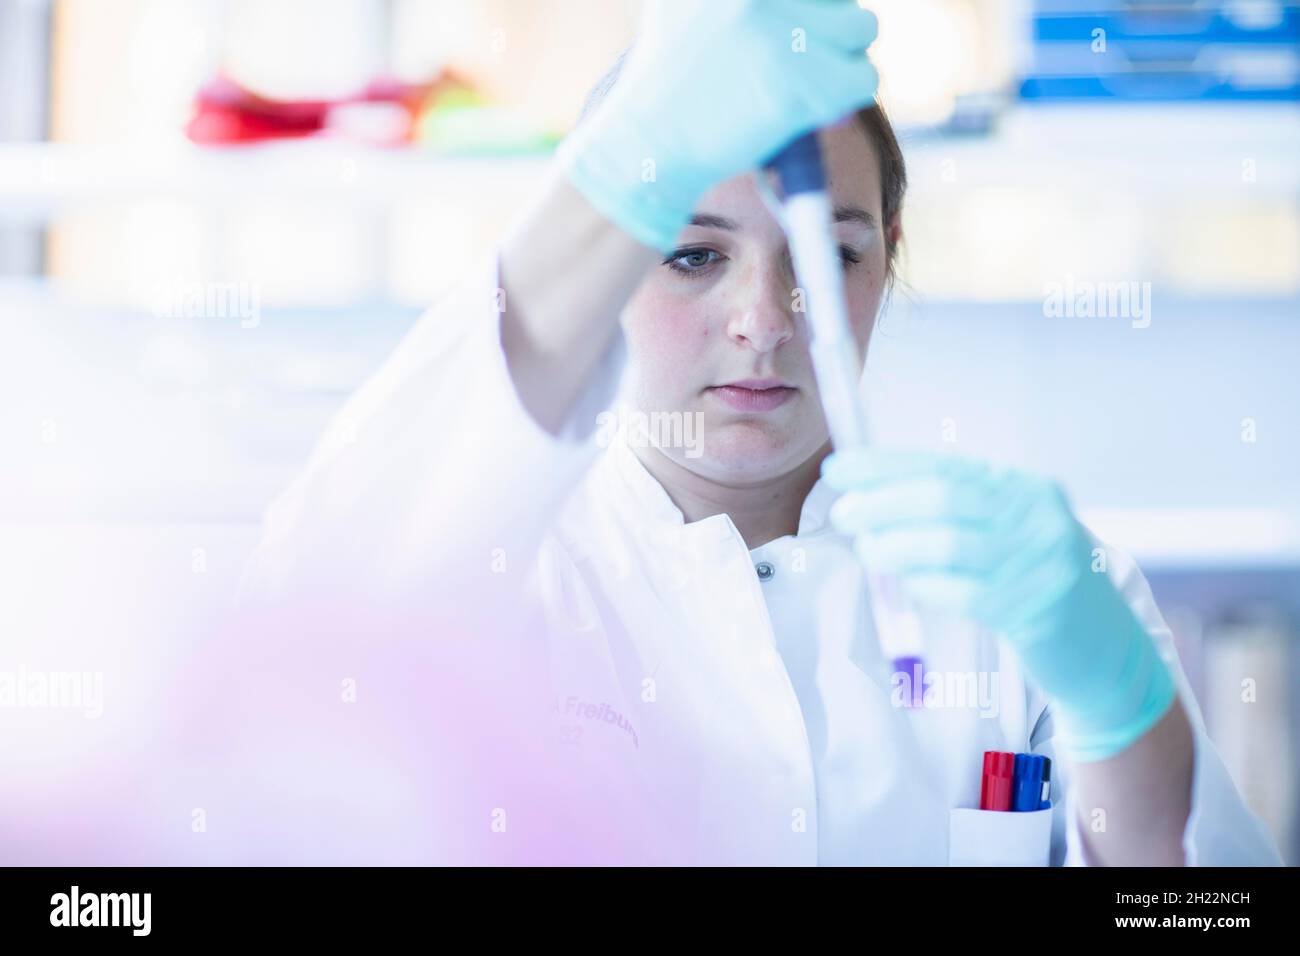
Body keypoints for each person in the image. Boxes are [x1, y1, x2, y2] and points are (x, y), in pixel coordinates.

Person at [239, 0, 1281, 866]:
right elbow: (282, 658)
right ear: (607, 264)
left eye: (829, 253)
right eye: (693, 254)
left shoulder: (1034, 594)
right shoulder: (497, 565)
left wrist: (1122, 712)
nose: (766, 319)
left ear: (889, 257)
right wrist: (621, 163)